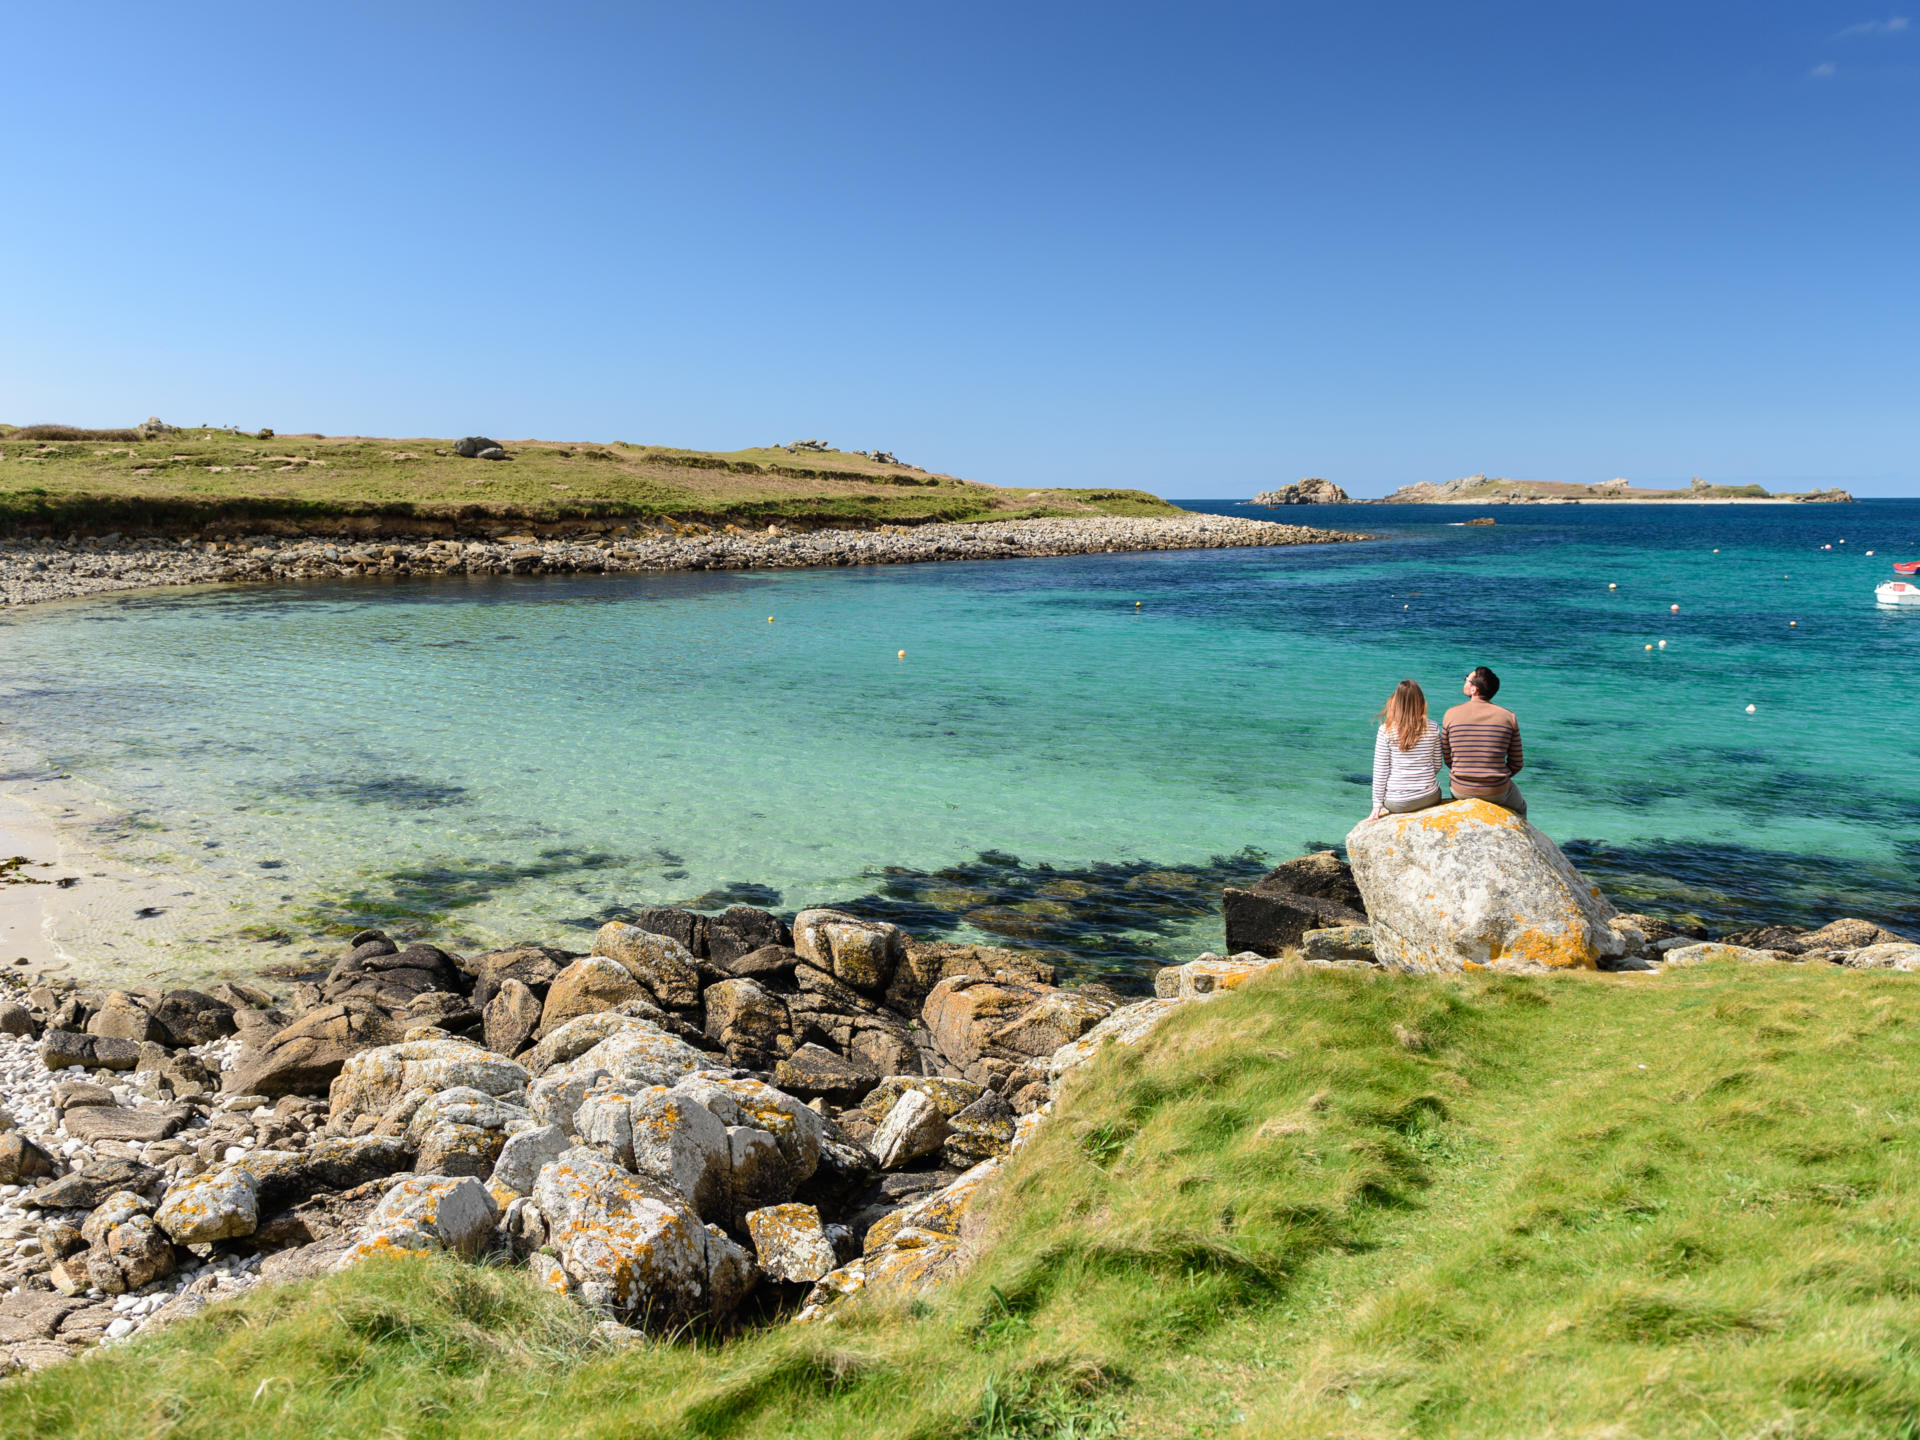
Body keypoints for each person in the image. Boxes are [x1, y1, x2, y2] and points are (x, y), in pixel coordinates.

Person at [1440, 665, 1526, 817]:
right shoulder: (1508, 717)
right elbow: (1517, 763)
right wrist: (1493, 778)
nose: (1464, 681)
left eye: (1467, 679)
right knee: (1521, 808)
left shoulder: (1450, 714)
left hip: (1460, 789)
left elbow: (1447, 757)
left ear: (1474, 689)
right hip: (1495, 790)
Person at [1367, 679, 1444, 821]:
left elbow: (1380, 771)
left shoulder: (1386, 731)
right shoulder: (1433, 727)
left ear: (1395, 702)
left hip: (1398, 802)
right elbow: (1437, 765)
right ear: (1421, 701)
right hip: (1429, 797)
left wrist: (1377, 805)